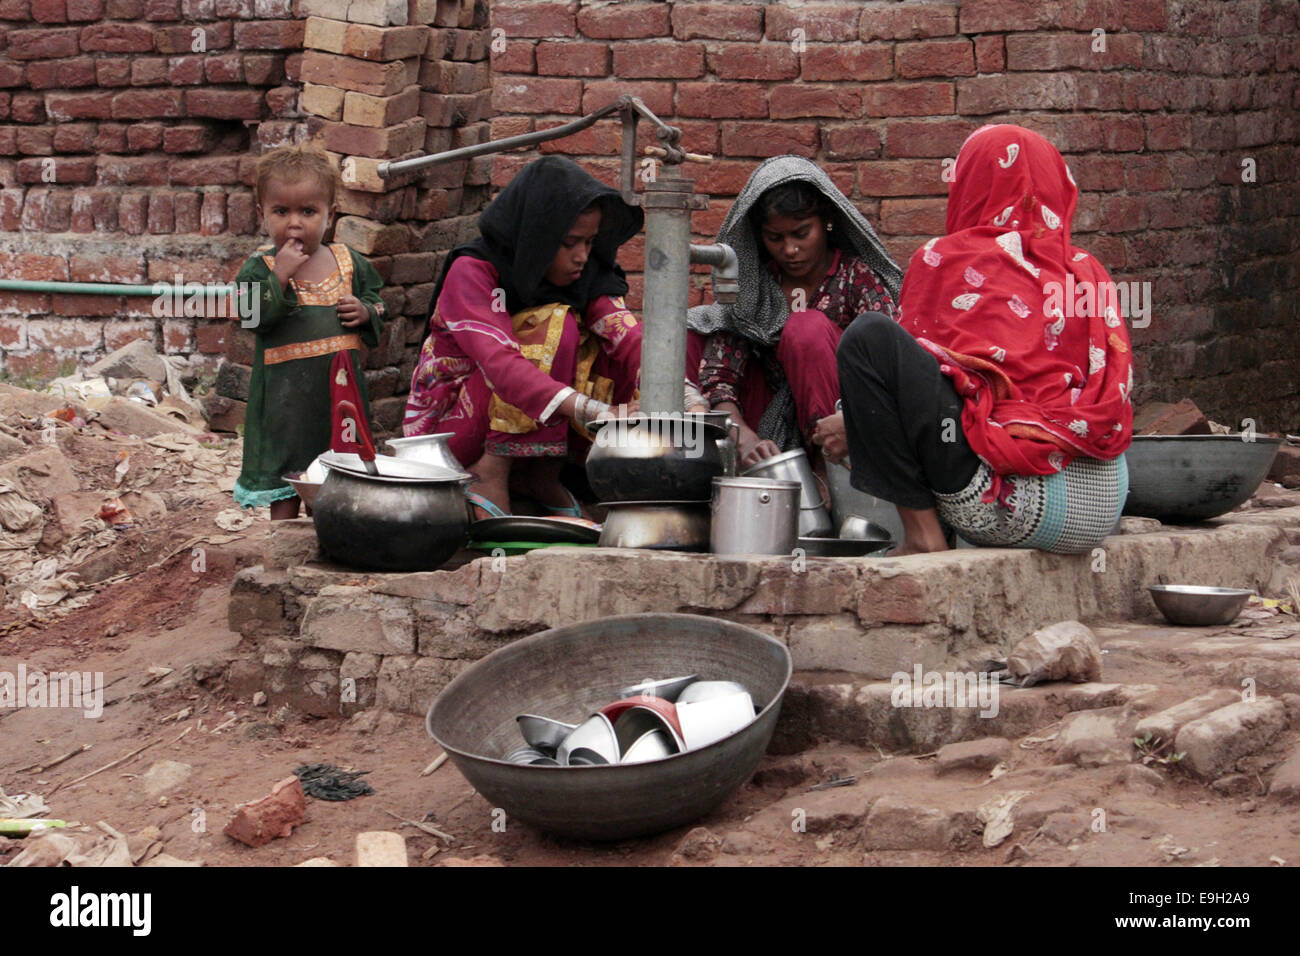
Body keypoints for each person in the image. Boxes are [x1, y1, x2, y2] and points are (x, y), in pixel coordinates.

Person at [826, 125, 1133, 555]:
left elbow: (915, 388)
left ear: (970, 185)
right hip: (1100, 509)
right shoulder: (1087, 270)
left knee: (868, 338)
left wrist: (856, 421)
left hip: (1007, 511)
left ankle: (922, 538)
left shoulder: (943, 257)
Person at [402, 156, 645, 519]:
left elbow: (627, 335)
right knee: (553, 325)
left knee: (611, 350)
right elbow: (500, 363)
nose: (582, 257)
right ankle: (491, 471)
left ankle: (541, 472)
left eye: (590, 242)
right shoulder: (472, 270)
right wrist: (597, 411)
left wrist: (685, 394)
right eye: (569, 243)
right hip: (455, 432)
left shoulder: (589, 276)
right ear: (537, 235)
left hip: (545, 429)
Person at [686, 156, 902, 468]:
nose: (789, 250)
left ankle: (829, 475)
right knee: (691, 332)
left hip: (852, 424)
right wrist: (741, 435)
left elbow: (889, 365)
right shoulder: (756, 288)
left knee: (806, 329)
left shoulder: (856, 277)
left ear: (827, 223)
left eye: (801, 234)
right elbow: (721, 374)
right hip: (771, 426)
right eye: (775, 238)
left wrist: (850, 419)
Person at [233, 145, 386, 519]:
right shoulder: (259, 267)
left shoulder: (349, 261)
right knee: (285, 473)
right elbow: (252, 319)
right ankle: (282, 547)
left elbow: (378, 301)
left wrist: (365, 312)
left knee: (337, 471)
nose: (295, 223)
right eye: (281, 212)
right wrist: (279, 276)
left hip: (339, 395)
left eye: (308, 211)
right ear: (262, 214)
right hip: (284, 401)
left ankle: (331, 541)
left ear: (330, 214)